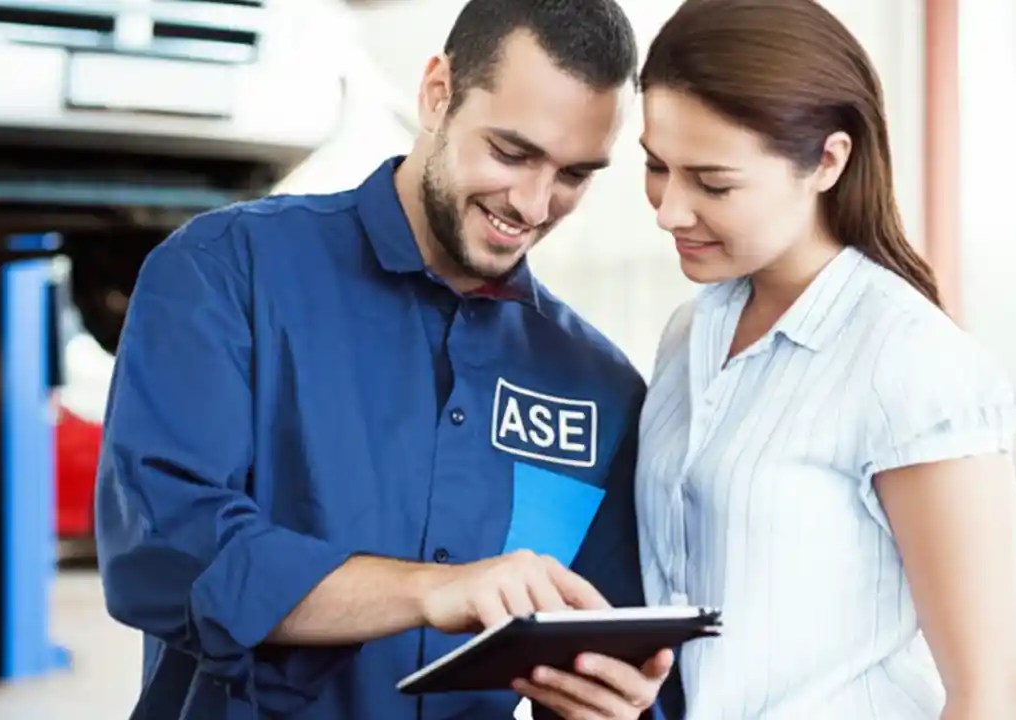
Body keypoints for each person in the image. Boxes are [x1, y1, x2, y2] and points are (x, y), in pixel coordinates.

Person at [95, 1, 681, 718]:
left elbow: (601, 649)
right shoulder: (227, 273)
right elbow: (165, 552)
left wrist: (611, 703)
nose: (532, 203)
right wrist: (429, 591)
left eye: (574, 174)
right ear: (437, 93)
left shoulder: (598, 386)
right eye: (511, 152)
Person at [632, 0, 1016, 718]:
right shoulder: (687, 334)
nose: (668, 209)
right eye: (657, 166)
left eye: (713, 182)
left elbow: (991, 691)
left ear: (827, 160)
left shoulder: (910, 363)